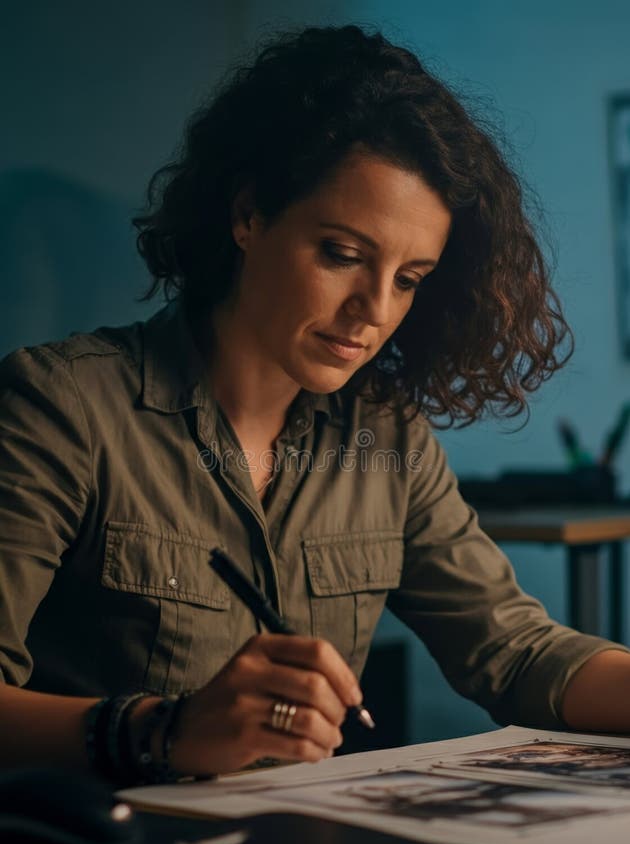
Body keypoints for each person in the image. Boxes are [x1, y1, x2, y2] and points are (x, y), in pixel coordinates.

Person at [1, 24, 629, 785]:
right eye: (342, 254)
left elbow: (514, 649)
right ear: (249, 215)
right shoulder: (59, 408)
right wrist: (161, 729)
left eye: (409, 278)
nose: (373, 309)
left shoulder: (385, 438)